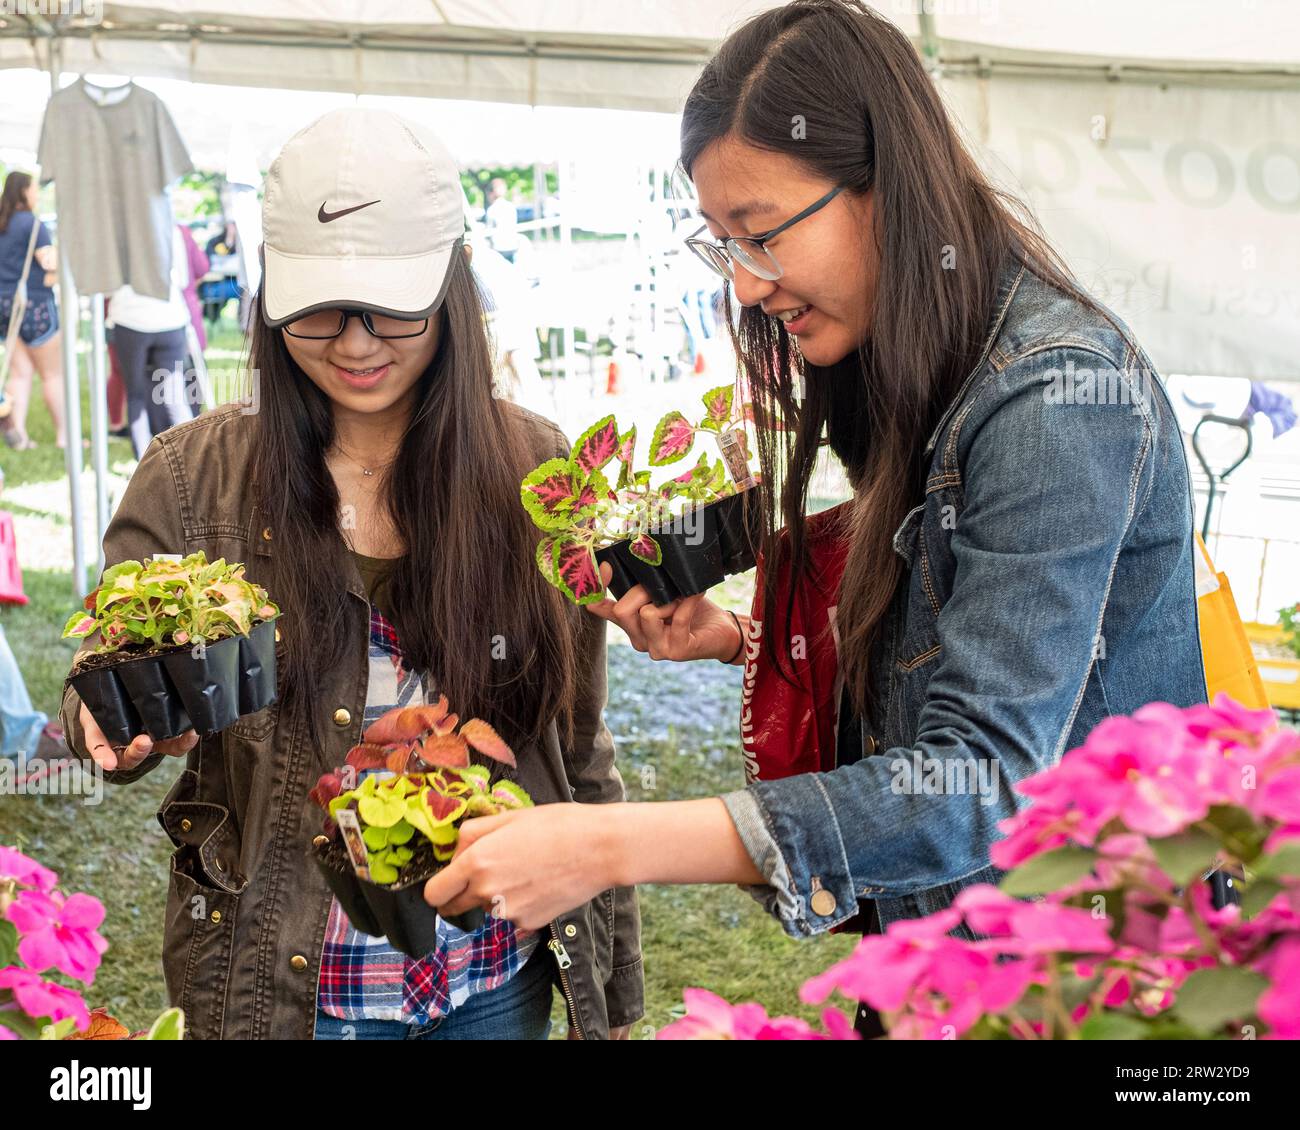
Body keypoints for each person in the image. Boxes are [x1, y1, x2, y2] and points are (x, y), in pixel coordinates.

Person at [422, 0, 1207, 1038]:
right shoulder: (921, 362)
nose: (746, 284)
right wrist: (742, 643)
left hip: (1085, 983)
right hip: (948, 957)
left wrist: (606, 846)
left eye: (760, 234)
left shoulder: (1055, 400)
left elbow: (982, 777)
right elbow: (952, 652)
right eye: (722, 244)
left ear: (887, 188)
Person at [57, 107, 642, 1041]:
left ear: (452, 287)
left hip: (496, 976)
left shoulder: (537, 471)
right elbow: (104, 683)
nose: (356, 342)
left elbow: (576, 746)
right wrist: (115, 724)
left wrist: (613, 999)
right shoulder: (189, 479)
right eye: (319, 308)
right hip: (289, 990)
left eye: (391, 305)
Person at [107, 223, 197, 458]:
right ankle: (192, 462)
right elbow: (183, 278)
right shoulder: (172, 228)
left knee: (136, 394)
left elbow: (108, 283)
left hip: (130, 317)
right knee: (175, 396)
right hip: (169, 316)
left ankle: (143, 466)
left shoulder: (117, 231)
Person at [0, 171, 67, 450]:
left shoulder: (2, 223)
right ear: (24, 192)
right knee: (52, 374)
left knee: (20, 373)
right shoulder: (33, 224)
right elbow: (49, 261)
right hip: (35, 304)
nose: (37, 195)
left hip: (5, 305)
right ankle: (65, 437)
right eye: (34, 189)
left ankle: (20, 436)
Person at [484, 177, 521, 263]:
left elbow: (489, 231)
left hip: (499, 248)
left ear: (491, 193)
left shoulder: (492, 209)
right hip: (513, 246)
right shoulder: (511, 207)